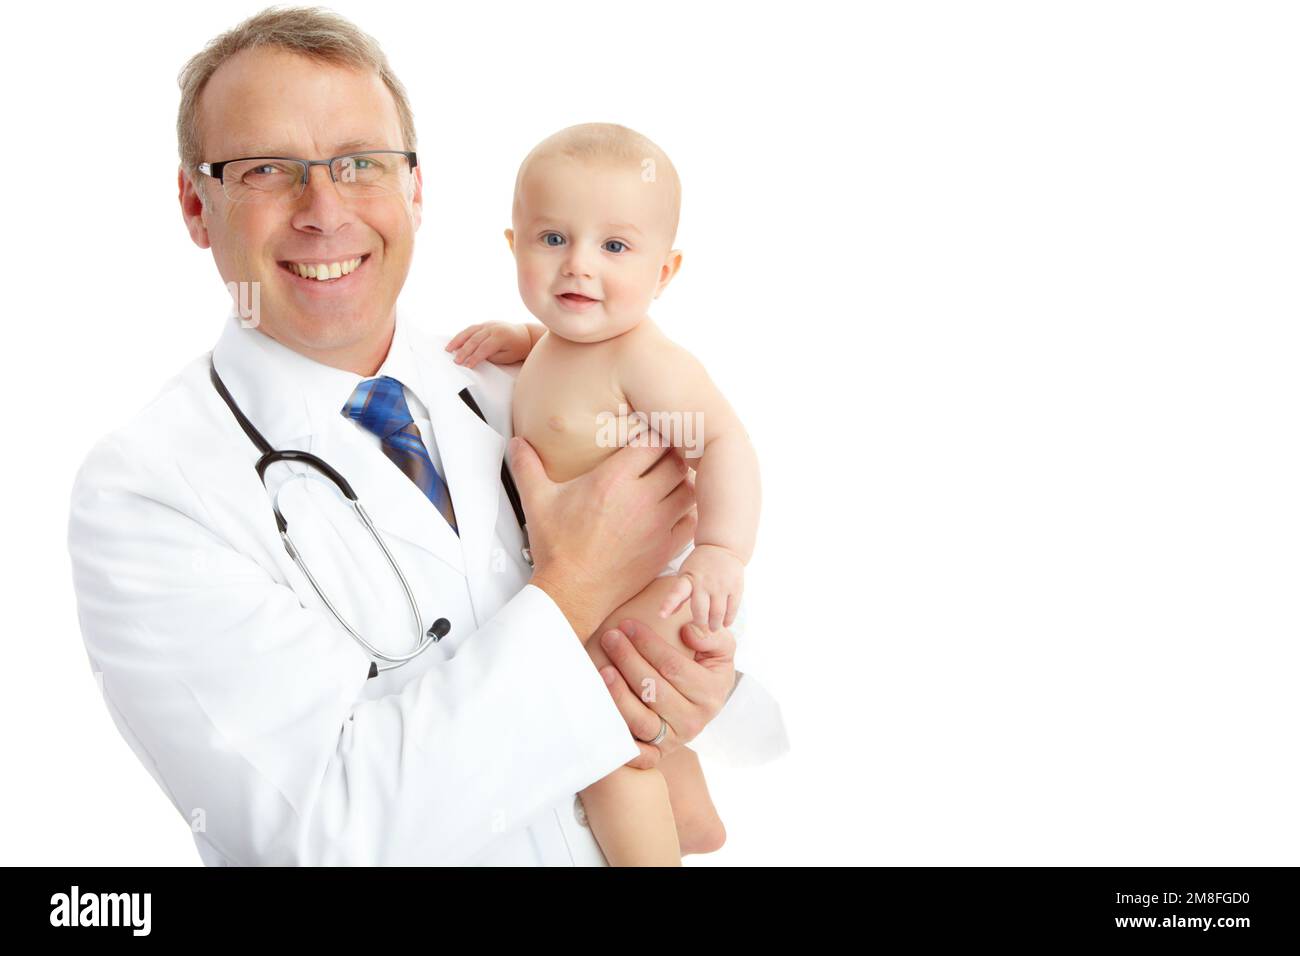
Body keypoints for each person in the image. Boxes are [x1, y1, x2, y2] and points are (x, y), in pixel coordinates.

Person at [66, 6, 788, 866]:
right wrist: (579, 587)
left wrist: (702, 691)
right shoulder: (149, 491)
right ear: (196, 202)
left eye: (361, 164)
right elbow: (315, 836)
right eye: (267, 170)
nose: (323, 211)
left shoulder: (519, 379)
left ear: (415, 188)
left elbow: (718, 599)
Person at [443, 122, 760, 865]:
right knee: (625, 716)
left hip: (640, 590)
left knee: (601, 746)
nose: (578, 266)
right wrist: (518, 339)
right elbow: (558, 364)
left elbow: (723, 443)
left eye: (614, 247)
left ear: (666, 270)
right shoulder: (564, 339)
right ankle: (690, 810)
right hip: (596, 583)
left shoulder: (646, 358)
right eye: (552, 239)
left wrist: (719, 551)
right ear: (513, 243)